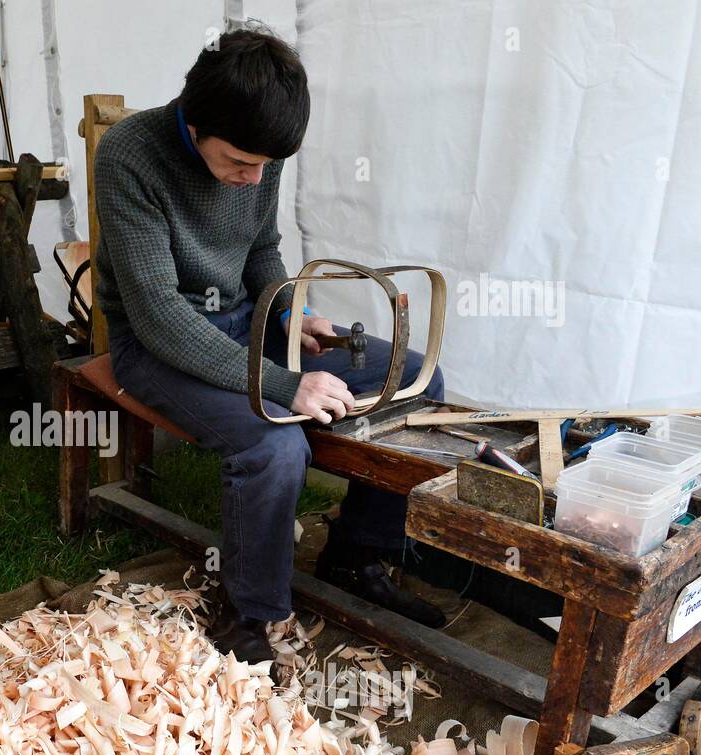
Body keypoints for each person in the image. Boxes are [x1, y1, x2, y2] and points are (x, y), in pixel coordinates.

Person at [93, 27, 446, 665]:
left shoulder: (261, 146)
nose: (252, 178)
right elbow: (159, 315)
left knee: (413, 376)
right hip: (156, 342)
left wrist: (292, 313)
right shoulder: (129, 155)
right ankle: (247, 614)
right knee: (274, 441)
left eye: (264, 166)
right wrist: (286, 385)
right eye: (239, 164)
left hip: (246, 325)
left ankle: (356, 555)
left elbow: (261, 248)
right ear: (195, 124)